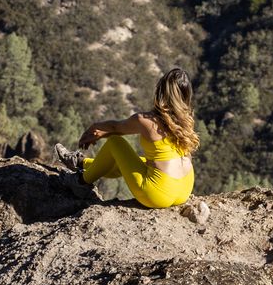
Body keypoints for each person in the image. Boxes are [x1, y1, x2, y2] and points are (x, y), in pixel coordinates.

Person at [58, 67, 198, 208]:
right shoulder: (185, 123)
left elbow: (115, 128)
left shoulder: (147, 121)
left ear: (160, 92)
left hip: (158, 194)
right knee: (137, 160)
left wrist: (95, 128)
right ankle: (82, 163)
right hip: (184, 189)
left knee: (115, 142)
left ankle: (80, 182)